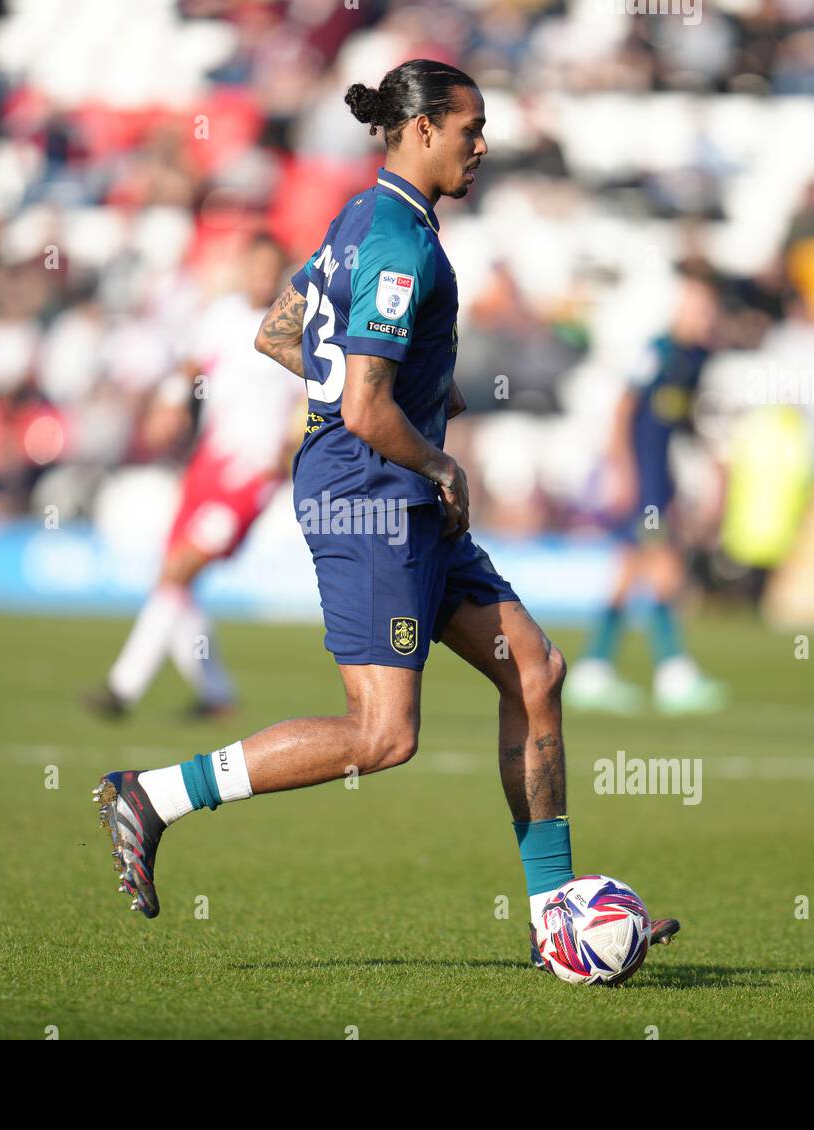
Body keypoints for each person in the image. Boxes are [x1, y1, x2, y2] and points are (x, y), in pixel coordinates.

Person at [93, 60, 679, 967]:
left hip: (388, 483)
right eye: (469, 127)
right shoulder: (400, 241)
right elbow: (364, 406)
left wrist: (409, 403)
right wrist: (435, 453)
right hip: (374, 494)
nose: (482, 145)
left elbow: (280, 330)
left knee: (533, 667)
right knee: (384, 734)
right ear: (419, 130)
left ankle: (556, 911)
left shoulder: (361, 219)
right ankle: (156, 795)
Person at [84, 236, 306, 718]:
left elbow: (312, 399)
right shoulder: (223, 316)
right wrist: (170, 403)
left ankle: (121, 690)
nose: (264, 277)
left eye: (273, 269)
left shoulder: (296, 327)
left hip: (252, 473)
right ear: (246, 268)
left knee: (179, 570)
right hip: (209, 462)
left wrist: (288, 453)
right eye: (257, 266)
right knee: (175, 576)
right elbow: (190, 367)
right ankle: (218, 695)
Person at [566, 261, 729, 715]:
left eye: (707, 309)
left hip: (661, 478)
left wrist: (712, 470)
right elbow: (623, 410)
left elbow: (686, 422)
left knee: (628, 572)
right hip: (643, 477)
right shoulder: (658, 351)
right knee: (664, 569)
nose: (703, 317)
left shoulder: (696, 360)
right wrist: (623, 472)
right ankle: (674, 674)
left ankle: (593, 671)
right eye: (697, 308)